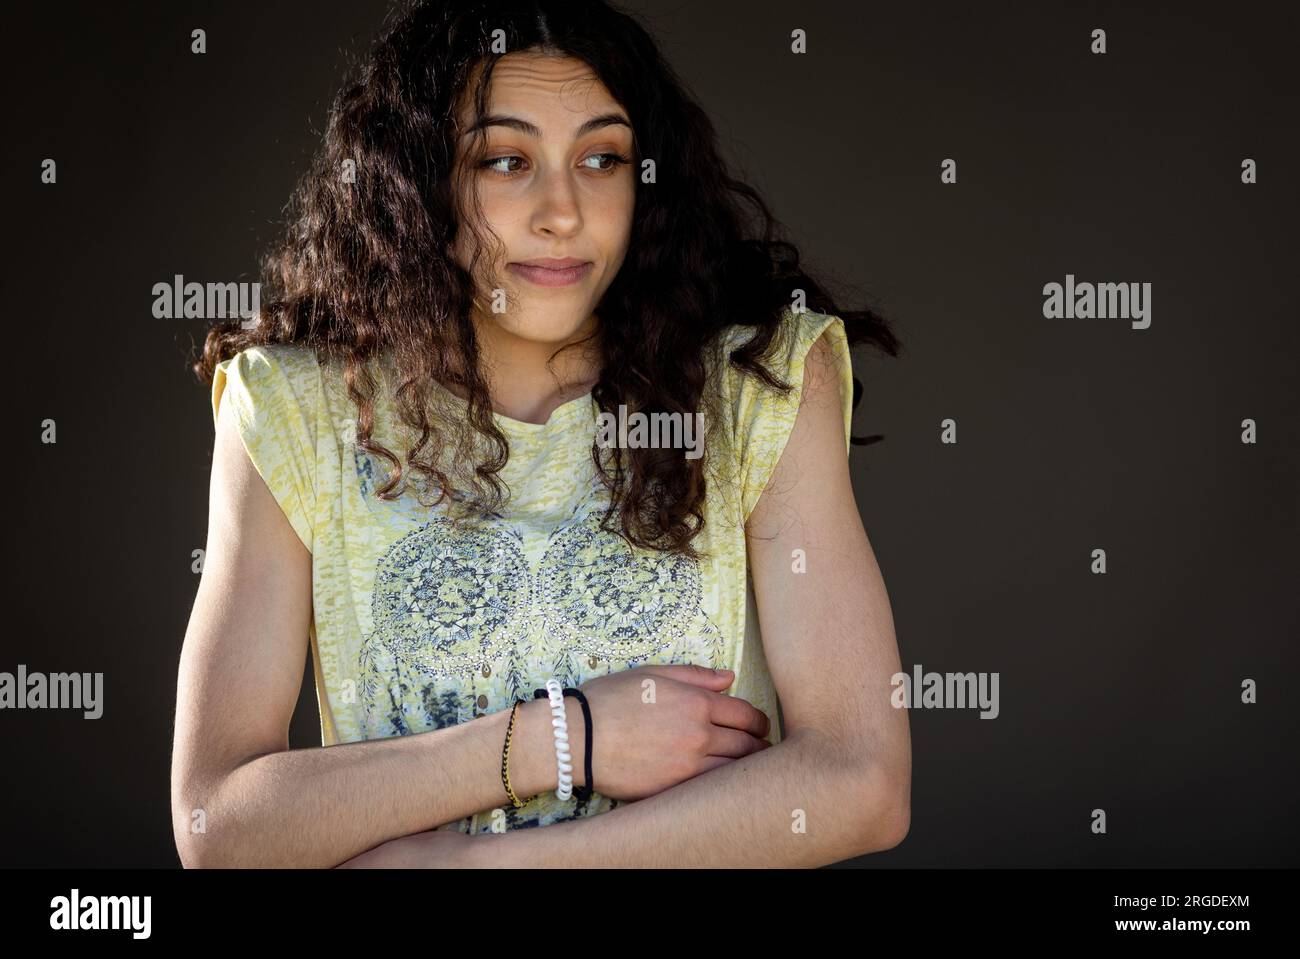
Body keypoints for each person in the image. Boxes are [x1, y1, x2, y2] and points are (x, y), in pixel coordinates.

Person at [170, 0, 910, 868]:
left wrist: (495, 866)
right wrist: (566, 737)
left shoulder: (759, 382)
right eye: (506, 160)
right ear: (419, 181)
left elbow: (863, 779)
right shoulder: (297, 408)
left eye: (602, 158)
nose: (563, 211)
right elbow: (217, 822)